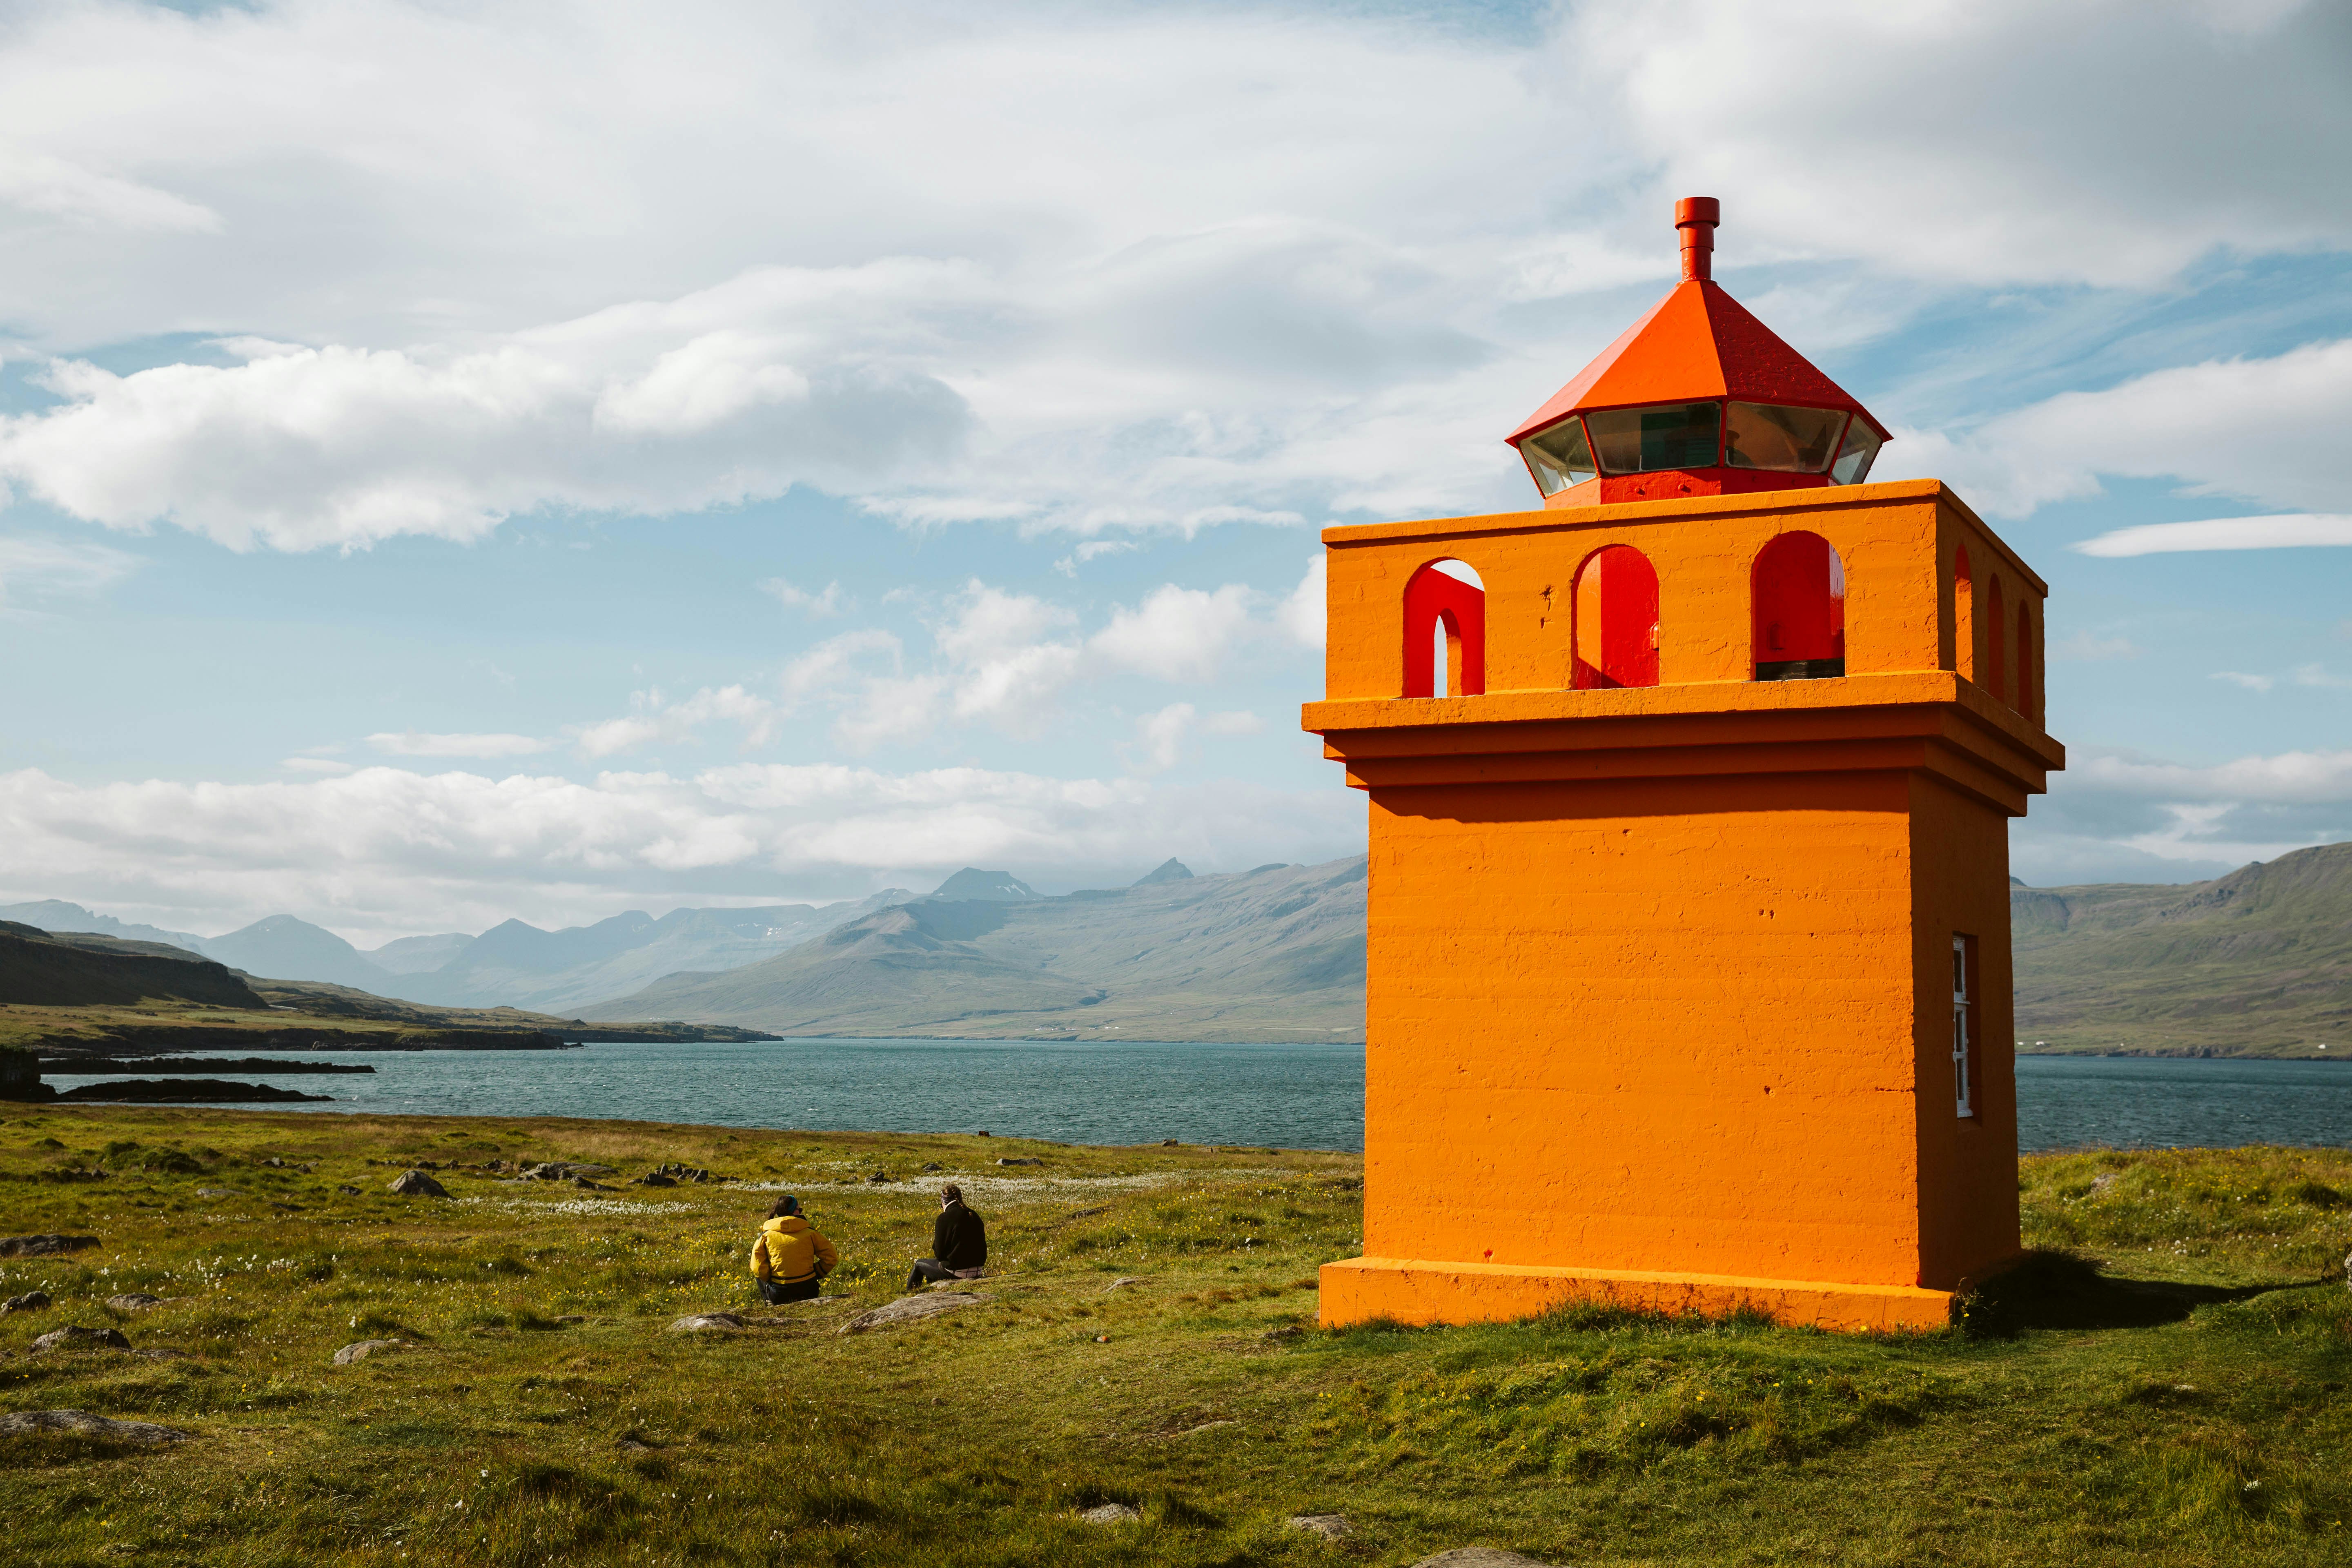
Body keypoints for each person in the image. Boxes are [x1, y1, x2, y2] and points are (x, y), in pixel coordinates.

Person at [750, 1194, 837, 1303]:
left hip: (779, 1295)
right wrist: (816, 1273)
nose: (801, 1212)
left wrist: (771, 1278)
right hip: (810, 1291)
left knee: (759, 1271)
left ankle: (769, 1302)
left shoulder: (766, 1236)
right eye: (799, 1210)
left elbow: (756, 1268)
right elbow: (832, 1257)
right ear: (794, 1212)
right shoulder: (810, 1233)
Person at [905, 1183, 986, 1292]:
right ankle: (934, 1291)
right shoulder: (973, 1214)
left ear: (944, 1202)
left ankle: (910, 1294)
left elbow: (939, 1254)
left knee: (920, 1264)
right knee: (933, 1266)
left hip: (957, 1271)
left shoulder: (944, 1218)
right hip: (978, 1269)